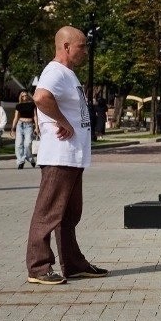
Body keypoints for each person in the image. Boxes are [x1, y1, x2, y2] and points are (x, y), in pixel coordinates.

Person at [24, 26, 109, 286]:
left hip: (72, 157)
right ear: (66, 47)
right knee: (48, 213)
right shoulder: (55, 71)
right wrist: (63, 122)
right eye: (82, 46)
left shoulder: (68, 74)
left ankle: (73, 263)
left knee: (68, 215)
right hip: (59, 156)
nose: (86, 51)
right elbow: (40, 97)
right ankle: (38, 267)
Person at [11, 91, 37, 168]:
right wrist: (13, 128)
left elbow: (35, 116)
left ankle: (30, 159)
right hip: (20, 125)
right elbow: (16, 117)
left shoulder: (32, 104)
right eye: (22, 96)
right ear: (20, 97)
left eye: (26, 95)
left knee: (27, 144)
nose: (24, 97)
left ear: (28, 96)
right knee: (18, 144)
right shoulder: (19, 105)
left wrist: (37, 127)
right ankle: (20, 162)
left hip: (29, 126)